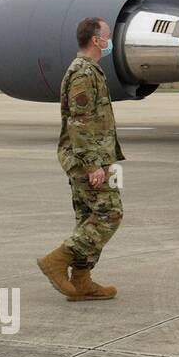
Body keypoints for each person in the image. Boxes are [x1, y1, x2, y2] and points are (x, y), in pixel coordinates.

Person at [36, 17, 123, 302]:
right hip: (86, 160)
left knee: (88, 218)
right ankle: (56, 260)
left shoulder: (90, 70)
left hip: (89, 156)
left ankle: (82, 280)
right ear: (96, 40)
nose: (110, 41)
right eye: (107, 36)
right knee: (109, 214)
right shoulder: (84, 72)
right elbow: (80, 121)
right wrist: (92, 165)